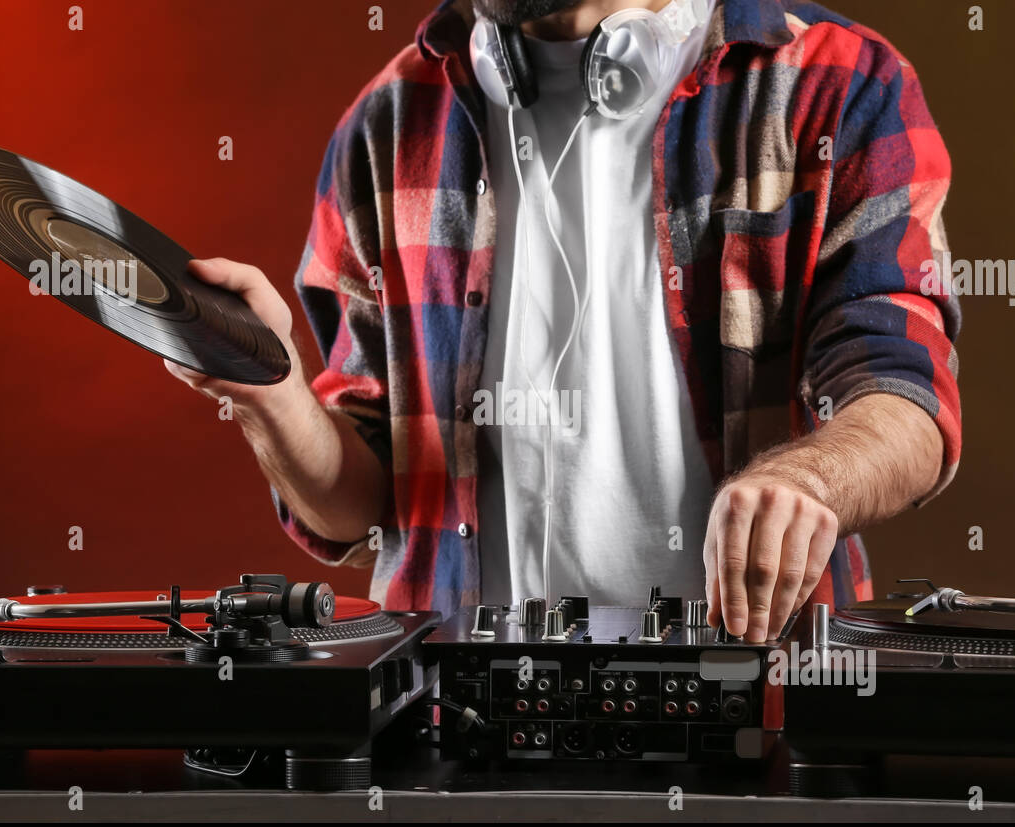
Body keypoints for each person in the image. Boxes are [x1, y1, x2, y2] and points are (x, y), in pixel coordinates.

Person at [166, 0, 961, 644]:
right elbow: (357, 504)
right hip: (449, 725)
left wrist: (807, 477)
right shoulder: (390, 120)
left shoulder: (840, 84)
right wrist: (273, 395)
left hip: (761, 711)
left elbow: (907, 402)